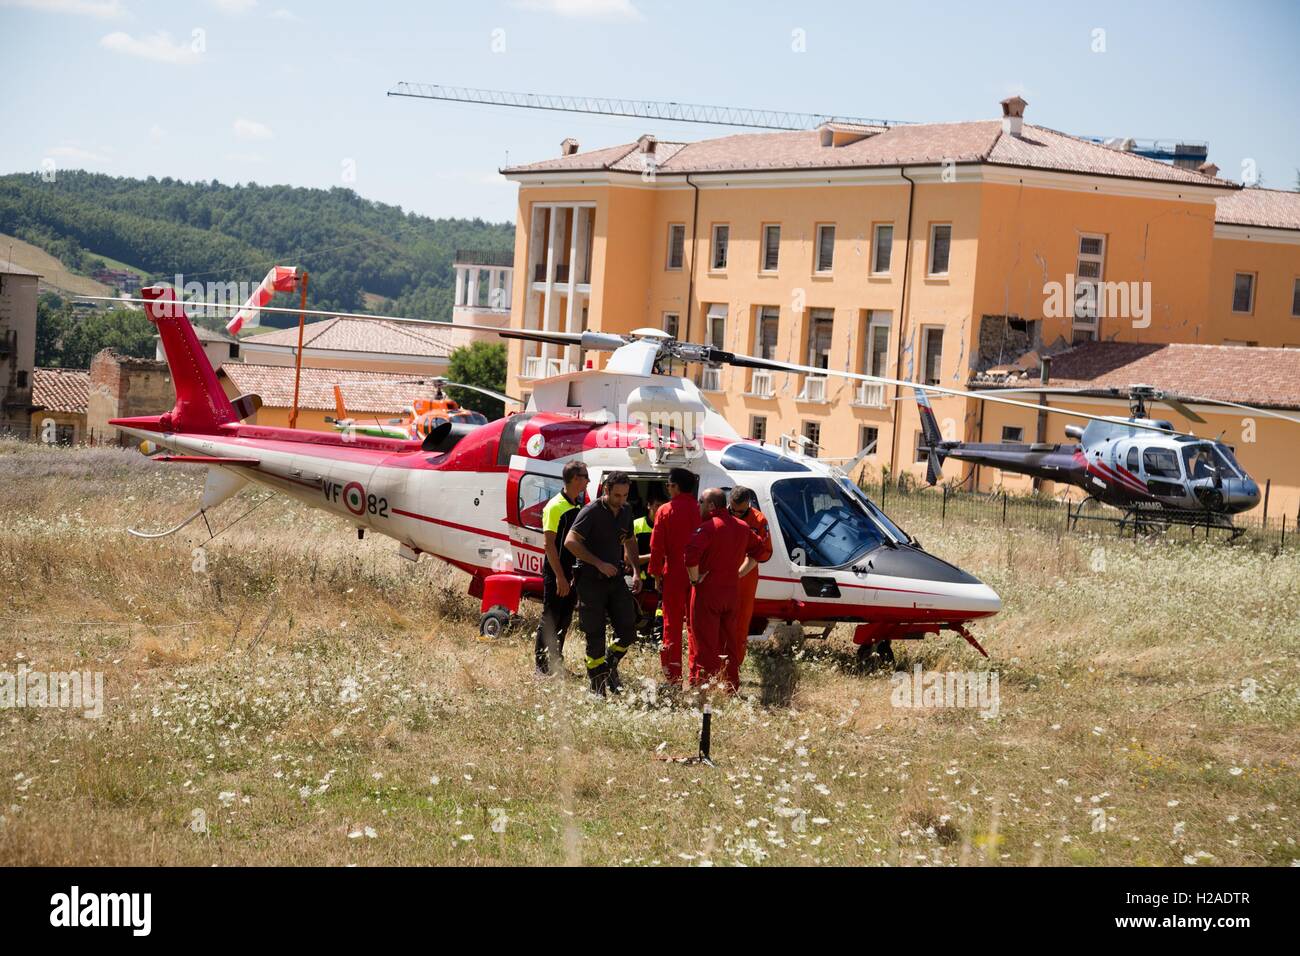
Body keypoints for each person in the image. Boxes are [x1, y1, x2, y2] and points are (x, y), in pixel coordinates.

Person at [565, 471, 642, 696]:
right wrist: (598, 563)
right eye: (617, 495)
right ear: (606, 490)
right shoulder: (591, 512)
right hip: (590, 580)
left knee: (628, 629)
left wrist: (636, 571)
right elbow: (571, 542)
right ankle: (597, 685)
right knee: (595, 634)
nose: (621, 500)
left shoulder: (626, 510)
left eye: (625, 495)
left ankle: (609, 665)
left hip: (616, 579)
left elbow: (630, 540)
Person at [683, 487, 759, 691]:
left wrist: (694, 579)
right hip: (732, 593)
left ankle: (705, 690)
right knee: (729, 645)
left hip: (708, 593)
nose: (698, 506)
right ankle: (730, 688)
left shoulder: (708, 528)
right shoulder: (743, 527)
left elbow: (690, 556)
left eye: (700, 502)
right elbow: (758, 551)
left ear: (711, 505)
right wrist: (739, 573)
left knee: (705, 643)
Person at [532, 460, 589, 676]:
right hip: (557, 572)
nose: (588, 481)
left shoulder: (577, 505)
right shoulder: (555, 506)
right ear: (575, 478)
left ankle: (556, 665)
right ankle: (541, 668)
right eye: (585, 477)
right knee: (550, 617)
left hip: (572, 573)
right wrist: (559, 577)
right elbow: (548, 545)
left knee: (564, 620)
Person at [647, 468, 701, 687]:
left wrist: (655, 574)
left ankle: (673, 678)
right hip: (696, 575)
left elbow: (656, 546)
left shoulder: (665, 511)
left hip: (674, 574)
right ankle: (698, 677)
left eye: (669, 485)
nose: (667, 489)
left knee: (671, 626)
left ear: (676, 486)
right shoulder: (699, 510)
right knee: (696, 626)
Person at [726, 485, 773, 692]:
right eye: (733, 510)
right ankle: (717, 668)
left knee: (740, 625)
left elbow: (760, 554)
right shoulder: (718, 515)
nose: (737, 515)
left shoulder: (758, 520)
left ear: (749, 505)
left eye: (741, 511)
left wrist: (737, 575)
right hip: (721, 576)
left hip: (745, 577)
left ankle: (733, 669)